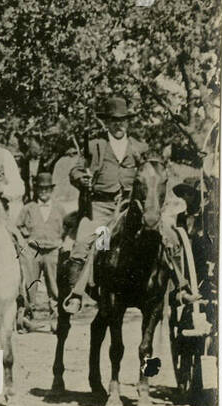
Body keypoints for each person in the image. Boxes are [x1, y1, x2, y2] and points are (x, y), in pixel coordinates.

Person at [61, 95, 189, 313]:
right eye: (113, 120)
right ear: (107, 122)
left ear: (128, 122)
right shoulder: (95, 145)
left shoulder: (139, 147)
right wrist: (81, 178)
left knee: (170, 236)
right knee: (87, 242)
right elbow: (76, 170)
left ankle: (180, 286)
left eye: (122, 120)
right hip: (101, 207)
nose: (118, 125)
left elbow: (153, 172)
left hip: (133, 205)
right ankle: (77, 292)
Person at [16, 170, 69, 328]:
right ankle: (26, 319)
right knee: (30, 284)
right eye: (41, 189)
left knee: (54, 286)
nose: (44, 192)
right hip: (33, 250)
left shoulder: (59, 208)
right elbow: (18, 226)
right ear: (36, 190)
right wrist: (25, 238)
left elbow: (67, 226)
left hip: (53, 251)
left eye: (47, 189)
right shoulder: (29, 208)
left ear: (52, 190)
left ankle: (56, 319)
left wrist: (62, 241)